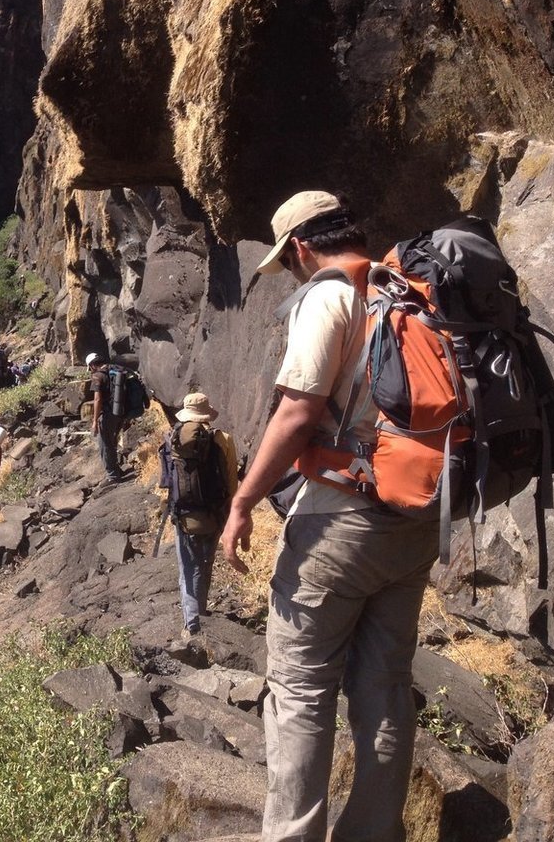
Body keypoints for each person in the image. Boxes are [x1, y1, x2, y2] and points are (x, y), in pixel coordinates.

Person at [220, 191, 438, 842]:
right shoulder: (409, 289)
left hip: (342, 519)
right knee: (385, 683)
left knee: (300, 689)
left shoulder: (327, 295)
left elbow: (296, 413)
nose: (290, 274)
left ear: (300, 248)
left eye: (287, 263)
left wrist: (242, 502)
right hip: (420, 513)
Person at [159, 392, 239, 639]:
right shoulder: (223, 439)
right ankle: (201, 612)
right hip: (215, 512)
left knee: (187, 566)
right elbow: (232, 481)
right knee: (205, 563)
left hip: (183, 514)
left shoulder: (171, 438)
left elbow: (166, 480)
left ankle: (191, 623)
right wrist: (230, 512)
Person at [86, 352, 124, 482]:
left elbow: (97, 400)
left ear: (92, 365)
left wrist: (95, 421)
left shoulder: (97, 376)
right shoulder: (114, 369)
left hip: (108, 414)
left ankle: (112, 475)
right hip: (121, 411)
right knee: (111, 441)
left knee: (105, 444)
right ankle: (117, 469)